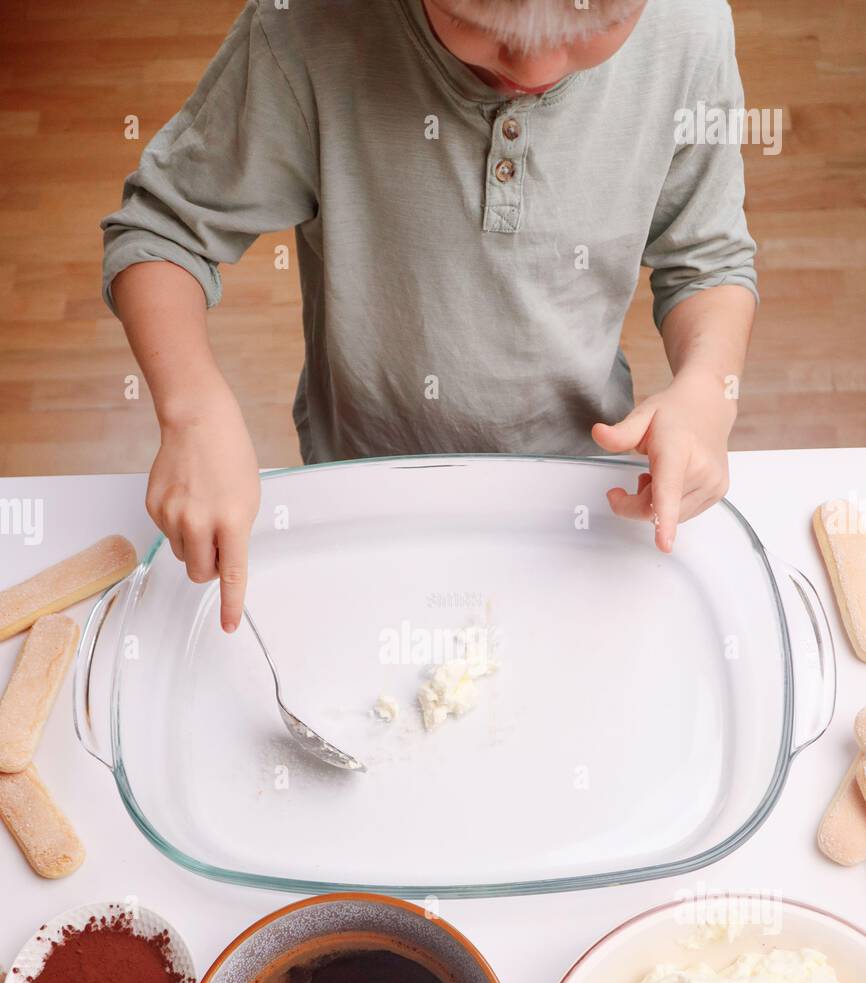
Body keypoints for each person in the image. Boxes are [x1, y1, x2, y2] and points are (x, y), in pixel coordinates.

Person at [103, 0, 757, 631]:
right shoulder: (305, 27)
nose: (535, 69)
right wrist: (190, 412)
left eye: (598, 22)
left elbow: (708, 259)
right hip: (362, 486)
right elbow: (162, 232)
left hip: (581, 494)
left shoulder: (690, 30)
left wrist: (708, 390)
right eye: (478, 22)